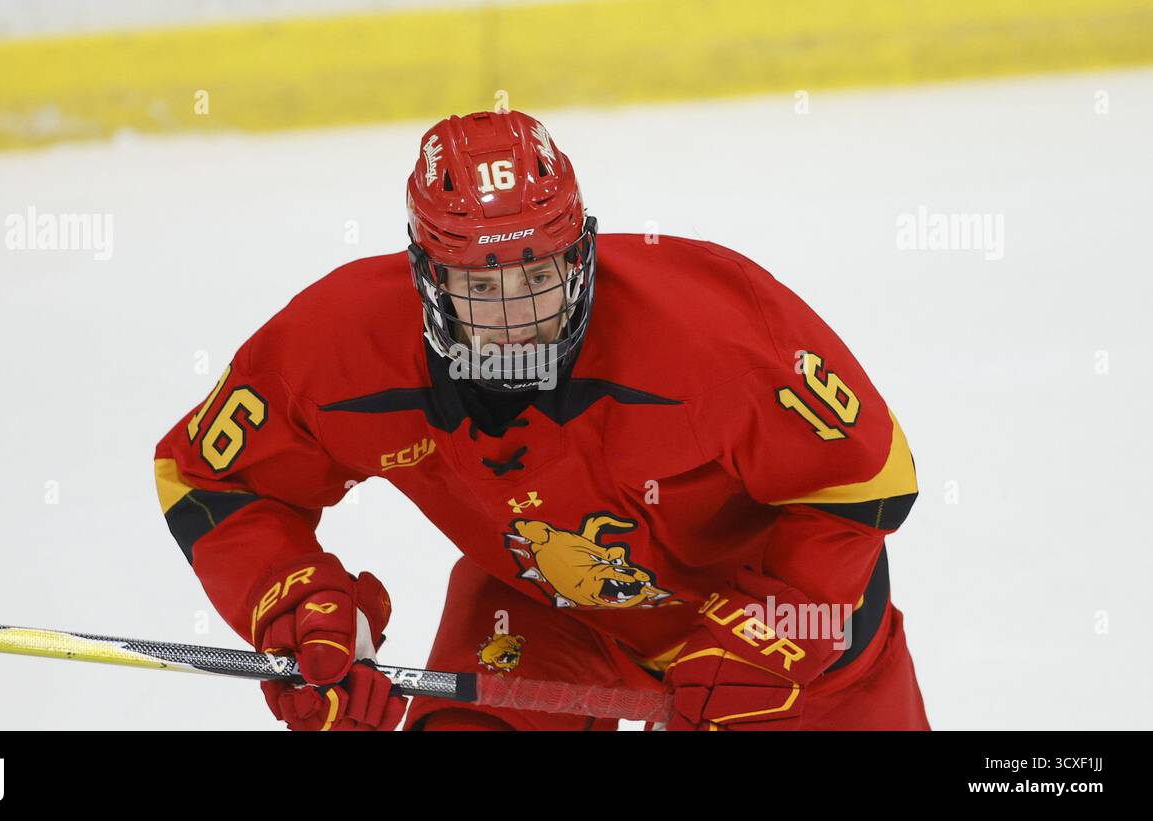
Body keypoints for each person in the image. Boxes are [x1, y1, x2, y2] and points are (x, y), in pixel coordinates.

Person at [152, 109, 930, 731]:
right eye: (478, 284)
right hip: (546, 606)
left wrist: (785, 619)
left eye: (539, 275)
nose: (517, 319)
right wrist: (300, 609)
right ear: (425, 276)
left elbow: (866, 474)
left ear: (579, 256)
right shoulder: (340, 346)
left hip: (780, 632)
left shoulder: (708, 331)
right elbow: (209, 475)